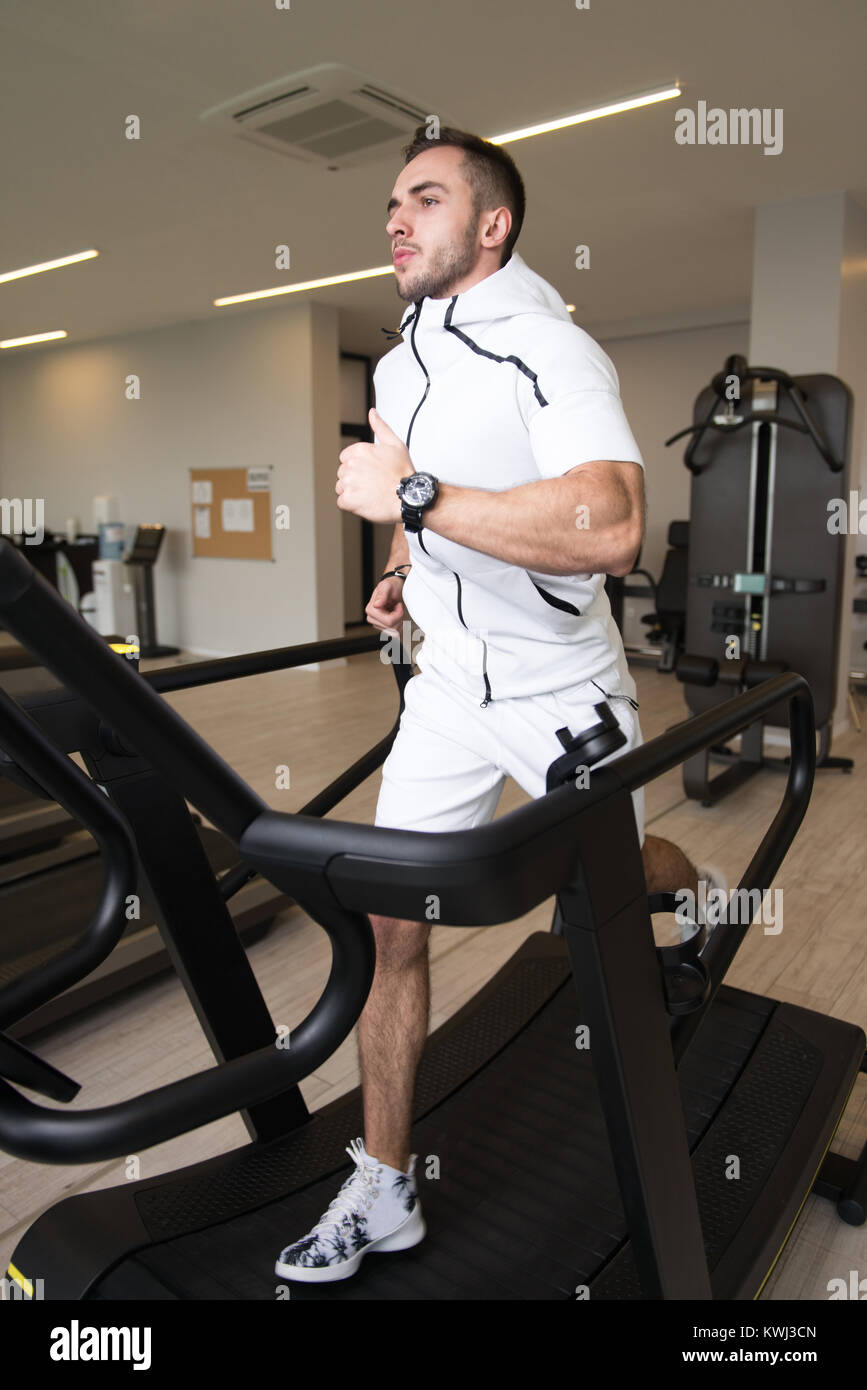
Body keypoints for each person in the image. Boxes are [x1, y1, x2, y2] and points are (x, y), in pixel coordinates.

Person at [275, 125, 719, 1285]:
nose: (395, 218)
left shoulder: (549, 347)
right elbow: (418, 513)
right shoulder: (397, 364)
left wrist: (414, 495)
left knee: (612, 887)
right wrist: (403, 568)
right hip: (447, 691)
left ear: (493, 223)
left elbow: (611, 524)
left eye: (424, 198)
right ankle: (384, 1185)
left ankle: (702, 892)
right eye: (390, 202)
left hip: (560, 691)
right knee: (392, 920)